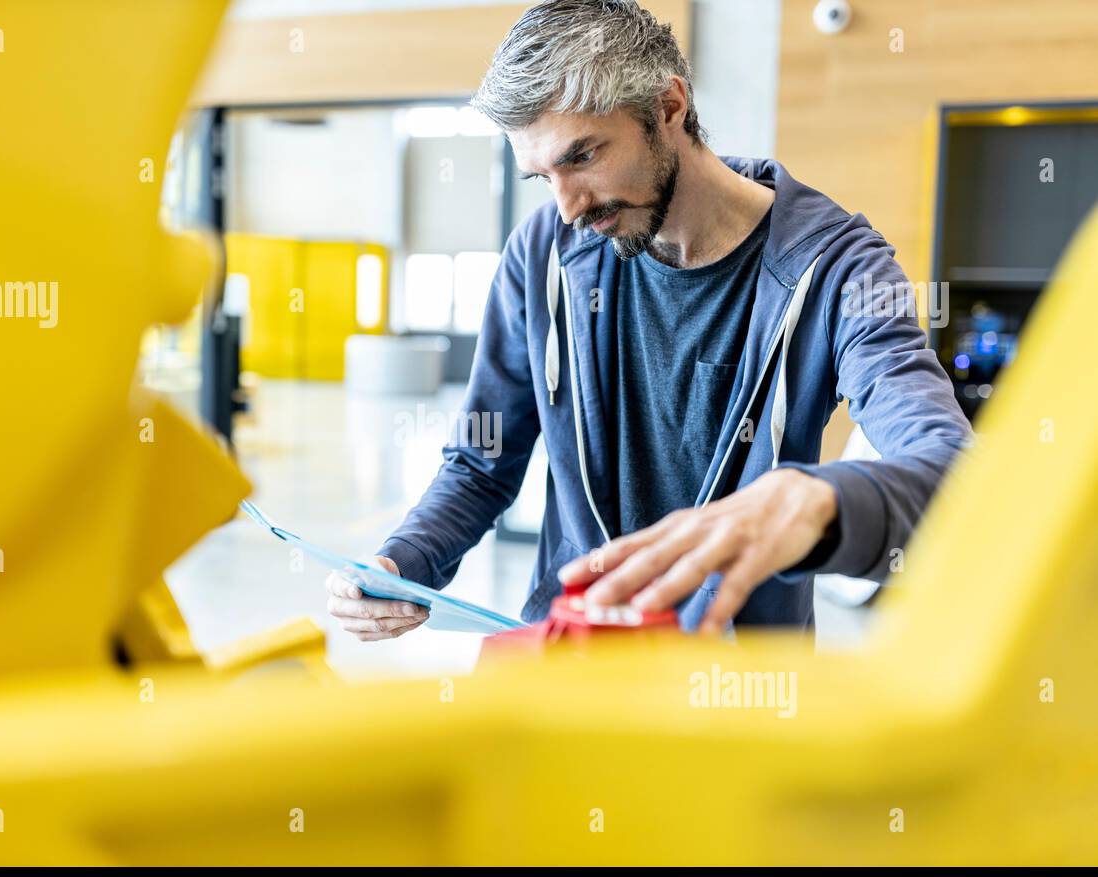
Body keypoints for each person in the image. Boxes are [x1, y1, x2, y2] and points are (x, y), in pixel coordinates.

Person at [326, 0, 971, 639]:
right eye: (542, 175)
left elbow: (948, 468)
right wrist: (401, 562)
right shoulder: (543, 251)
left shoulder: (841, 271)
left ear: (669, 106)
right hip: (570, 658)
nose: (569, 207)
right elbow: (481, 461)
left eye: (582, 156)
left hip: (737, 688)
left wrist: (820, 501)